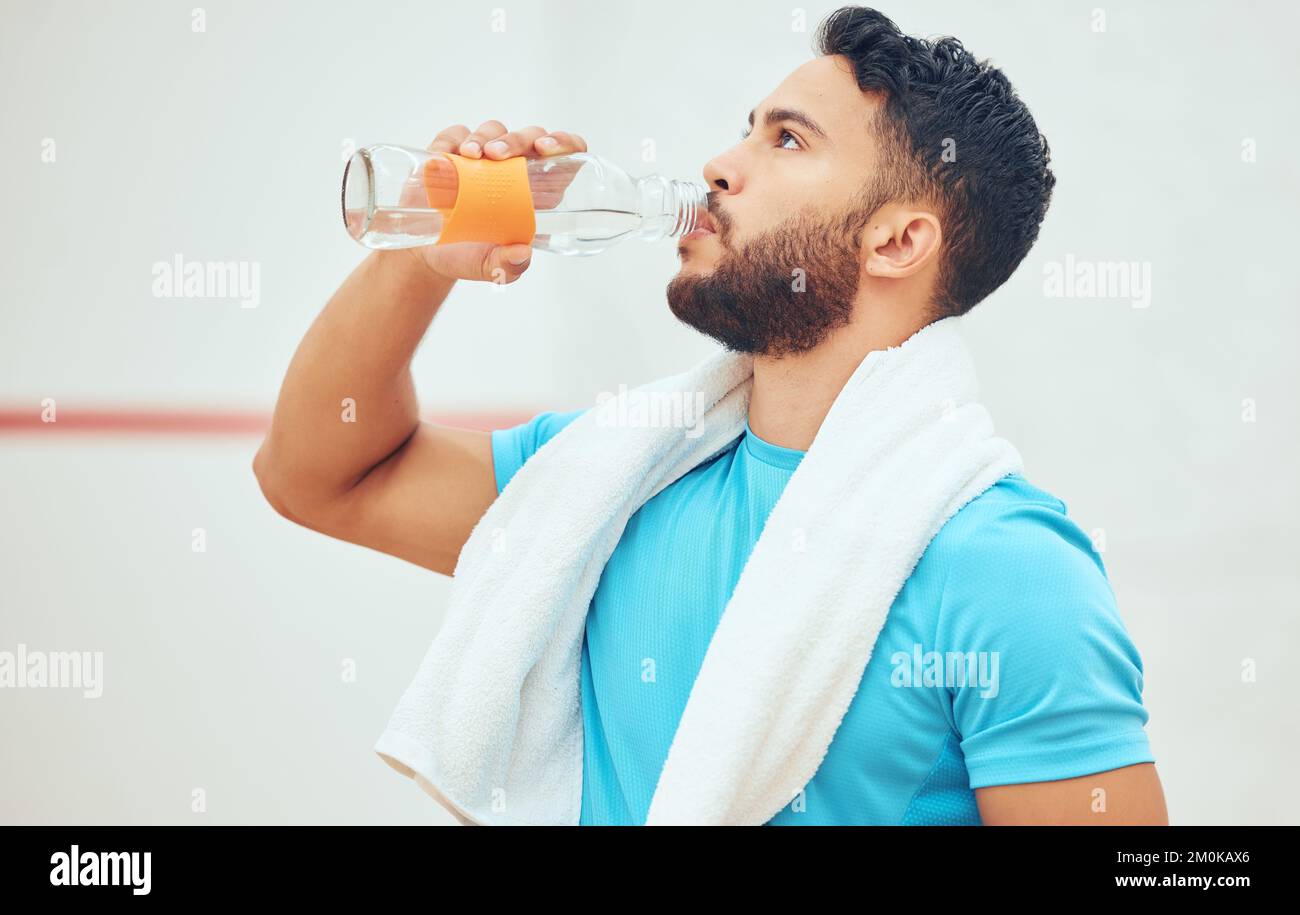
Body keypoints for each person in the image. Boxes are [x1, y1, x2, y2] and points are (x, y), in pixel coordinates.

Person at [254, 6, 1168, 825]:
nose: (719, 166)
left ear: (896, 239)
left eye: (788, 142)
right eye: (748, 131)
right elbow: (317, 476)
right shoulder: (607, 487)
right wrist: (422, 248)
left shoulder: (1009, 571)